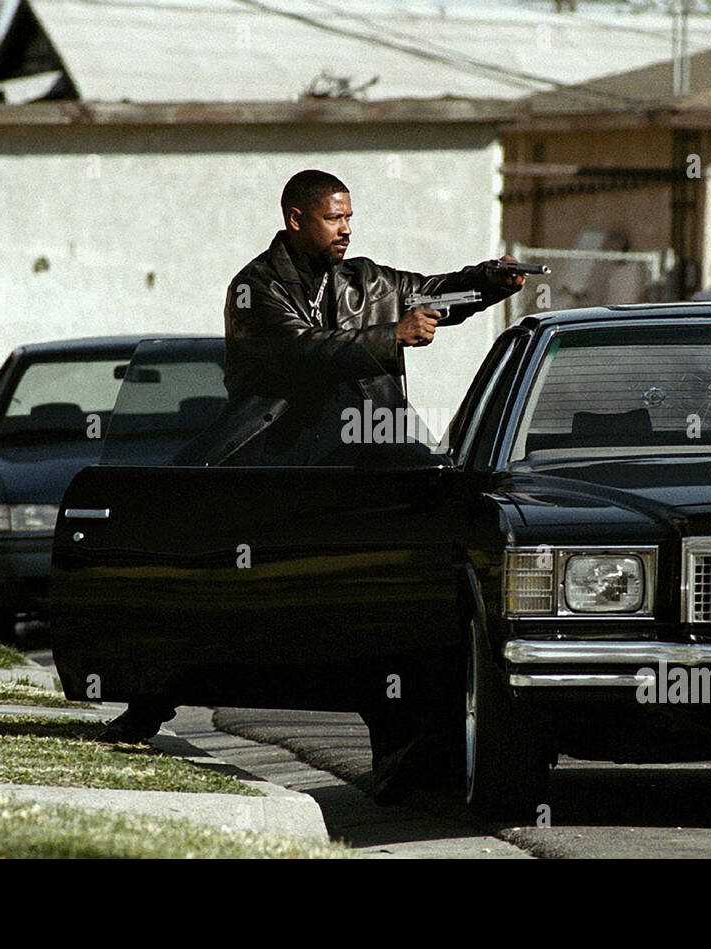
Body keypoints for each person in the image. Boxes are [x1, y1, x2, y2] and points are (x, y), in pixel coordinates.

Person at [98, 169, 526, 745]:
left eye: (349, 217)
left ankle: (406, 745)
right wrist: (389, 336)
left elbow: (436, 290)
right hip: (273, 454)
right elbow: (297, 354)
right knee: (214, 587)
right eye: (333, 218)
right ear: (296, 219)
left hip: (363, 454)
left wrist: (490, 280)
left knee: (383, 598)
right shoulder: (256, 286)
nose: (345, 229)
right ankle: (148, 706)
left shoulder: (368, 281)